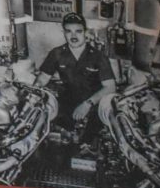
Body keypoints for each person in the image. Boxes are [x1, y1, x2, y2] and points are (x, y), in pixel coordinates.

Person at [33, 12, 117, 147]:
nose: (73, 36)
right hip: (68, 100)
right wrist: (34, 94)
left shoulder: (98, 56)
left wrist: (87, 104)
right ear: (63, 33)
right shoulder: (57, 53)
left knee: (90, 139)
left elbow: (110, 87)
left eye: (78, 31)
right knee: (54, 134)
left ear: (85, 32)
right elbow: (42, 78)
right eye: (68, 31)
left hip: (93, 102)